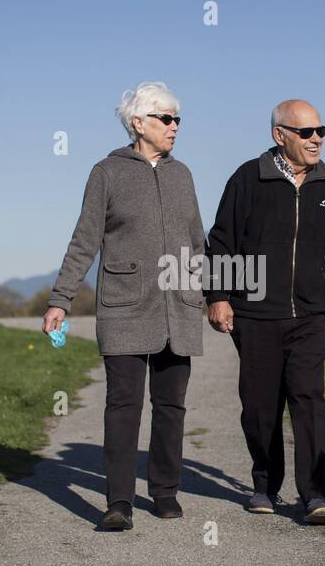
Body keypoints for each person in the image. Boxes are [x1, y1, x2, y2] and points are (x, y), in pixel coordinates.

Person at [43, 82, 206, 531]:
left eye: (177, 119)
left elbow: (198, 243)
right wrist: (61, 299)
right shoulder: (106, 173)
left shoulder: (183, 174)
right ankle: (119, 502)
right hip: (124, 306)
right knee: (123, 405)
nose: (175, 127)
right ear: (139, 123)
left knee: (171, 406)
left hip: (180, 307)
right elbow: (84, 240)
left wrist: (215, 298)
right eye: (166, 119)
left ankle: (165, 491)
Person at [205, 99, 325, 523]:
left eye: (321, 131)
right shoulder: (248, 179)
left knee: (308, 401)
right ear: (280, 135)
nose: (316, 139)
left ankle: (317, 495)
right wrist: (219, 296)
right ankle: (264, 485)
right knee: (260, 407)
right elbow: (223, 241)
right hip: (256, 315)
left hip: (310, 316)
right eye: (306, 132)